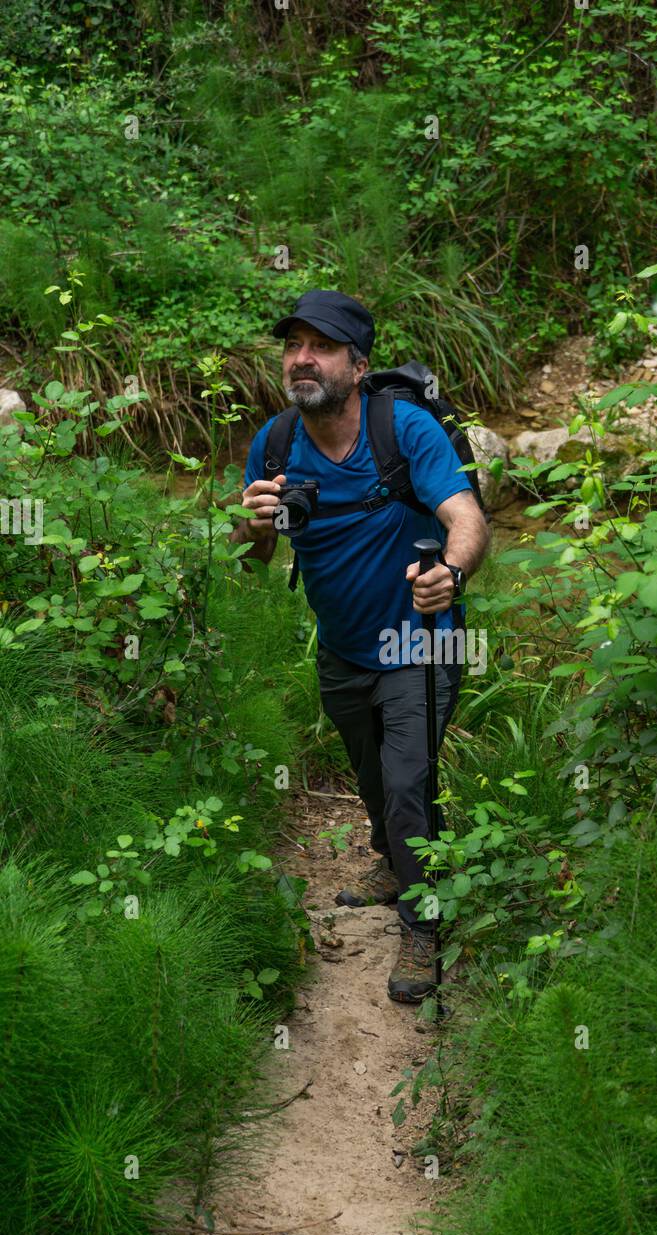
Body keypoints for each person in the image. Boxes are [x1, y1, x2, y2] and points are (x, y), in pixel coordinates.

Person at [231, 290, 490, 1003]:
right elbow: (252, 558)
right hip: (342, 649)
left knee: (408, 783)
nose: (302, 359)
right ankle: (390, 858)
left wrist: (451, 572)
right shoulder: (275, 442)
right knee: (373, 776)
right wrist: (252, 528)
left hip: (420, 642)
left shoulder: (403, 430)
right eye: (292, 346)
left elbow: (466, 517)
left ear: (358, 362)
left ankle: (421, 924)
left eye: (321, 346)